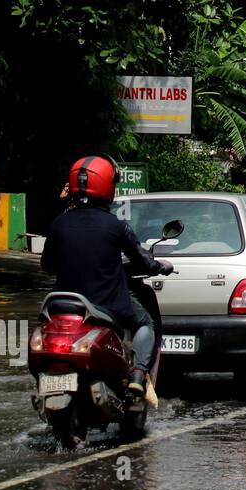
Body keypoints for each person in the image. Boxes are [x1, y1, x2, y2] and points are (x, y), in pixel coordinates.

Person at [40, 156, 173, 397]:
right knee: (145, 323)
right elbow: (143, 261)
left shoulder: (59, 224)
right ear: (106, 185)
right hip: (106, 304)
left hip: (64, 306)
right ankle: (138, 375)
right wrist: (161, 267)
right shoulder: (115, 226)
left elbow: (47, 265)